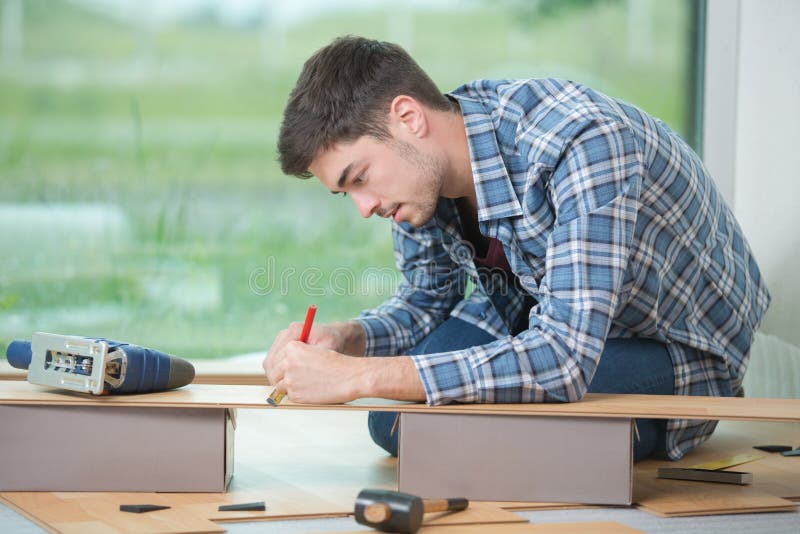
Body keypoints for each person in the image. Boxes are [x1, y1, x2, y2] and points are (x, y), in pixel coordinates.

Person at [263, 36, 770, 462]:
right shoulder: (419, 178)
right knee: (393, 422)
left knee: (447, 427)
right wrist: (348, 340)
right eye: (345, 192)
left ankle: (650, 428)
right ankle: (582, 438)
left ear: (407, 117)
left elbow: (565, 359)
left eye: (360, 178)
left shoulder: (582, 142)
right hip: (534, 313)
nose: (363, 206)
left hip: (667, 343)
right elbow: (426, 301)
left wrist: (361, 376)